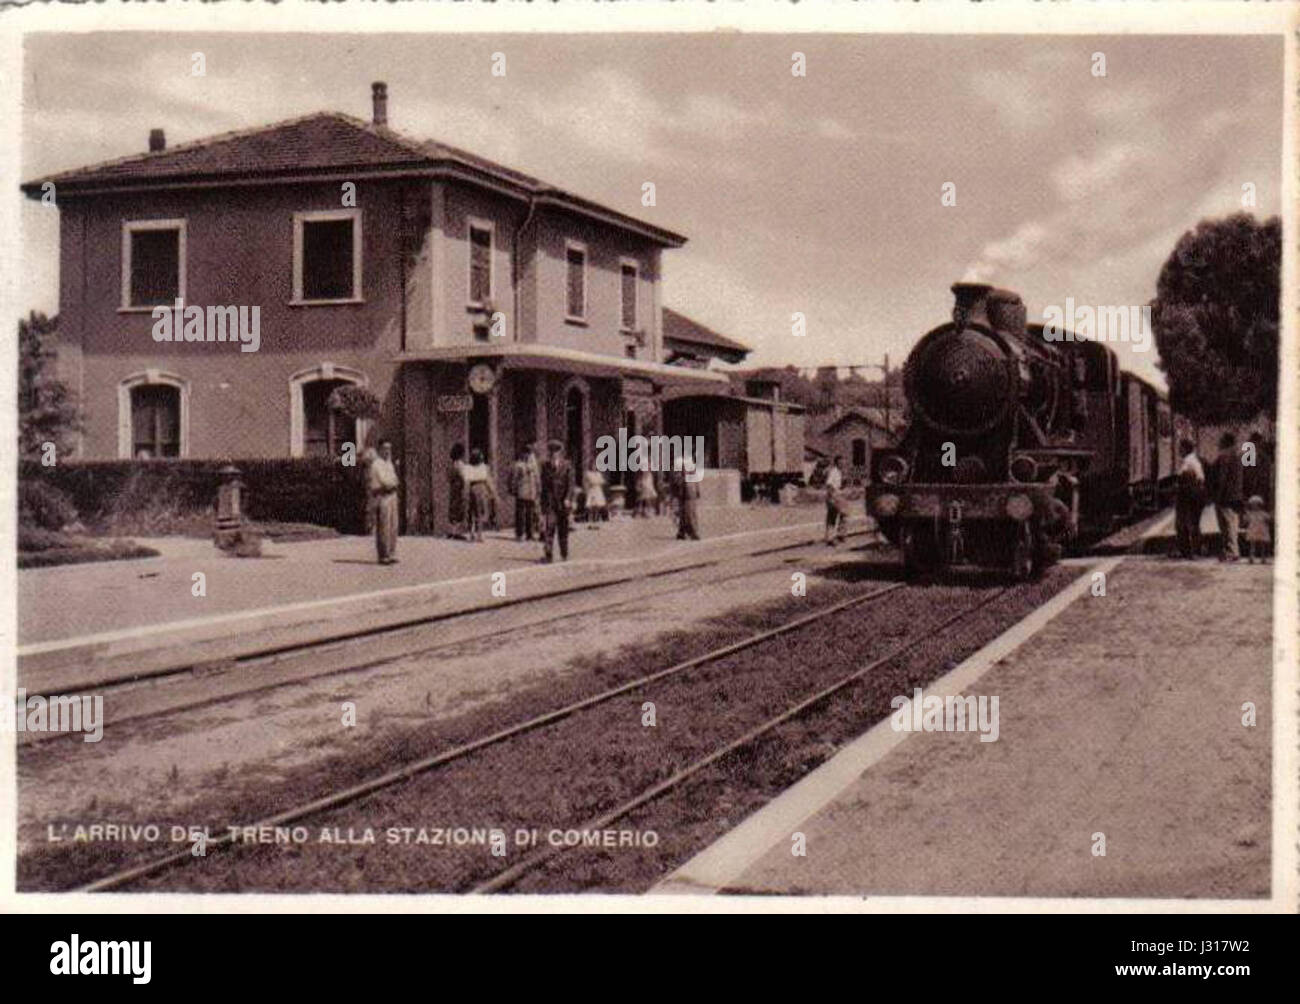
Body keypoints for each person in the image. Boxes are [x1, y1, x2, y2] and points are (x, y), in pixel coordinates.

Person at [539, 439, 574, 562]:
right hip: (550, 503)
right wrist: (542, 506)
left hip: (563, 503)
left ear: (560, 453)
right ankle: (548, 555)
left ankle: (564, 553)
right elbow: (543, 486)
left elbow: (570, 485)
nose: (554, 454)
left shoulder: (567, 466)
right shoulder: (545, 466)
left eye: (556, 452)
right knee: (549, 529)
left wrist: (568, 498)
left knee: (563, 530)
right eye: (551, 452)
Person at [367, 438, 400, 565]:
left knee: (393, 525)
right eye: (385, 448)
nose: (387, 451)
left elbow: (395, 480)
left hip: (392, 495)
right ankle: (383, 555)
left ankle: (392, 553)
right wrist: (392, 484)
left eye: (389, 448)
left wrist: (393, 483)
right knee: (384, 526)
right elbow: (385, 482)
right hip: (382, 495)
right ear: (379, 449)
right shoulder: (377, 464)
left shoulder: (389, 463)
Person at [1212, 432, 1243, 562]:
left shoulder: (1224, 457)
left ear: (1224, 443)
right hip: (1236, 496)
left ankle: (1231, 552)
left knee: (1226, 525)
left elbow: (1221, 479)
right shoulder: (1238, 457)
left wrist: (1217, 496)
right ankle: (1232, 550)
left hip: (1225, 497)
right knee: (1233, 524)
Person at [1173, 438, 1206, 559]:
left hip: (1189, 497)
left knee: (1186, 524)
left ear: (1185, 449)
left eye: (1180, 448)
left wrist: (1181, 487)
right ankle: (1193, 550)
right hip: (1195, 496)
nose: (1178, 450)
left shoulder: (1188, 461)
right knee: (1193, 524)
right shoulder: (1193, 460)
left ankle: (1190, 551)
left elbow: (1189, 478)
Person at [462, 448, 497, 543]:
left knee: (471, 512)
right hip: (481, 488)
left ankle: (471, 533)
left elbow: (466, 481)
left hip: (471, 488)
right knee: (480, 513)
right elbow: (488, 480)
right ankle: (480, 534)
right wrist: (492, 492)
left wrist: (465, 493)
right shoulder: (484, 467)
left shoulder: (467, 468)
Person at [509, 444, 540, 541]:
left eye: (530, 453)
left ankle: (530, 533)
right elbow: (514, 479)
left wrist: (538, 489)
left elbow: (537, 478)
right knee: (521, 514)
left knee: (530, 514)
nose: (528, 456)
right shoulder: (518, 465)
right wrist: (513, 489)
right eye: (527, 453)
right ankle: (520, 534)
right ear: (523, 454)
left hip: (531, 491)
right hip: (521, 491)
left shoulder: (534, 465)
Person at [672, 458, 701, 541]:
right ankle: (689, 532)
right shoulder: (679, 462)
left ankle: (685, 531)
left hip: (689, 490)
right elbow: (676, 478)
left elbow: (695, 477)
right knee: (686, 512)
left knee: (689, 512)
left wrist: (697, 489)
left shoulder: (688, 462)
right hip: (684, 490)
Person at [825, 454, 846, 546]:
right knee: (832, 517)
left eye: (843, 462)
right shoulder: (833, 472)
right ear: (837, 463)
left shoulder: (840, 472)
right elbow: (829, 484)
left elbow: (839, 485)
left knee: (843, 514)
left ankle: (840, 534)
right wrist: (832, 497)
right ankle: (830, 538)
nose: (843, 463)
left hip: (838, 495)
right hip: (833, 496)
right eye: (841, 462)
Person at [447, 443, 468, 539]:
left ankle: (451, 531)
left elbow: (448, 478)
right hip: (460, 489)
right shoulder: (460, 465)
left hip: (452, 489)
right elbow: (464, 477)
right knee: (460, 509)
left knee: (452, 509)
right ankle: (457, 532)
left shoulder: (451, 465)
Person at [1243, 495, 1271, 564]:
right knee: (1252, 545)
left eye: (1256, 505)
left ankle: (1263, 558)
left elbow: (1268, 519)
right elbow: (1246, 520)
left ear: (1259, 505)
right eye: (1252, 505)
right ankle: (1251, 558)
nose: (1254, 506)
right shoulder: (1249, 513)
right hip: (1253, 530)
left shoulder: (1263, 513)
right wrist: (1245, 517)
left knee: (1262, 545)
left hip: (1261, 530)